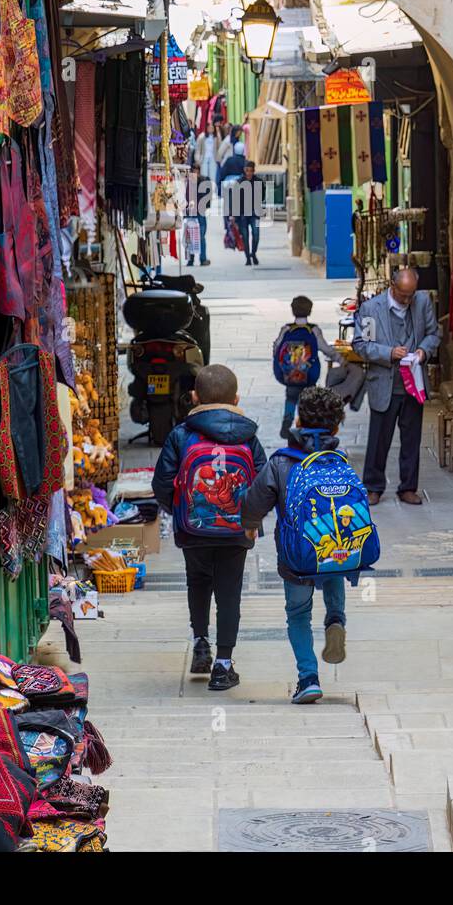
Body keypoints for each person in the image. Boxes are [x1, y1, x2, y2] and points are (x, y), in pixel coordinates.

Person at [152, 364, 266, 692]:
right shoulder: (249, 436)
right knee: (229, 591)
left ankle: (201, 644)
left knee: (198, 581)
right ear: (236, 399)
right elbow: (263, 483)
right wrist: (251, 520)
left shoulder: (181, 434)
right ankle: (223, 665)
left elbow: (162, 483)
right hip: (237, 531)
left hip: (194, 529)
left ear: (193, 397)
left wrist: (179, 511)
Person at [241, 387, 350, 705]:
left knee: (299, 614)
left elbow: (255, 501)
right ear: (336, 428)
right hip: (334, 550)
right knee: (334, 569)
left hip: (296, 557)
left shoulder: (281, 462)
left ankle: (308, 679)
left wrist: (250, 525)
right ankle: (335, 620)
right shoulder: (339, 459)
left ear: (298, 421)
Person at [353, 266, 441, 506]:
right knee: (378, 439)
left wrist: (423, 351)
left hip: (414, 384)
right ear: (393, 286)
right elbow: (361, 345)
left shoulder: (422, 302)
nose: (407, 300)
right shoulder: (371, 309)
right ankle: (373, 487)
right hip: (385, 385)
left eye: (411, 295)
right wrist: (389, 353)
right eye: (403, 295)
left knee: (412, 439)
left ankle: (408, 487)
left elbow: (433, 334)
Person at [273, 295, 342, 438]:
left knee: (290, 398)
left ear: (292, 310)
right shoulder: (314, 330)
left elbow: (276, 349)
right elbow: (325, 349)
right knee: (308, 400)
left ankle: (287, 422)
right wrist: (341, 359)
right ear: (310, 311)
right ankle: (305, 424)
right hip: (309, 375)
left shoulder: (286, 329)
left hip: (290, 375)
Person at [184, 157, 212, 267]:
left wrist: (206, 206)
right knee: (190, 236)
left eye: (197, 170)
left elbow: (208, 195)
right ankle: (191, 259)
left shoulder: (204, 180)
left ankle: (202, 259)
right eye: (194, 170)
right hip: (191, 213)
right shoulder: (188, 181)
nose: (195, 173)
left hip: (200, 212)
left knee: (201, 236)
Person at [235, 160, 264, 266]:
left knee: (256, 234)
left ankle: (253, 253)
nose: (249, 173)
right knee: (245, 236)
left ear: (253, 171)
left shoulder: (259, 182)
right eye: (247, 170)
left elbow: (262, 196)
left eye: (251, 170)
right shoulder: (239, 182)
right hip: (243, 214)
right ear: (244, 170)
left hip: (255, 213)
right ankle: (248, 257)